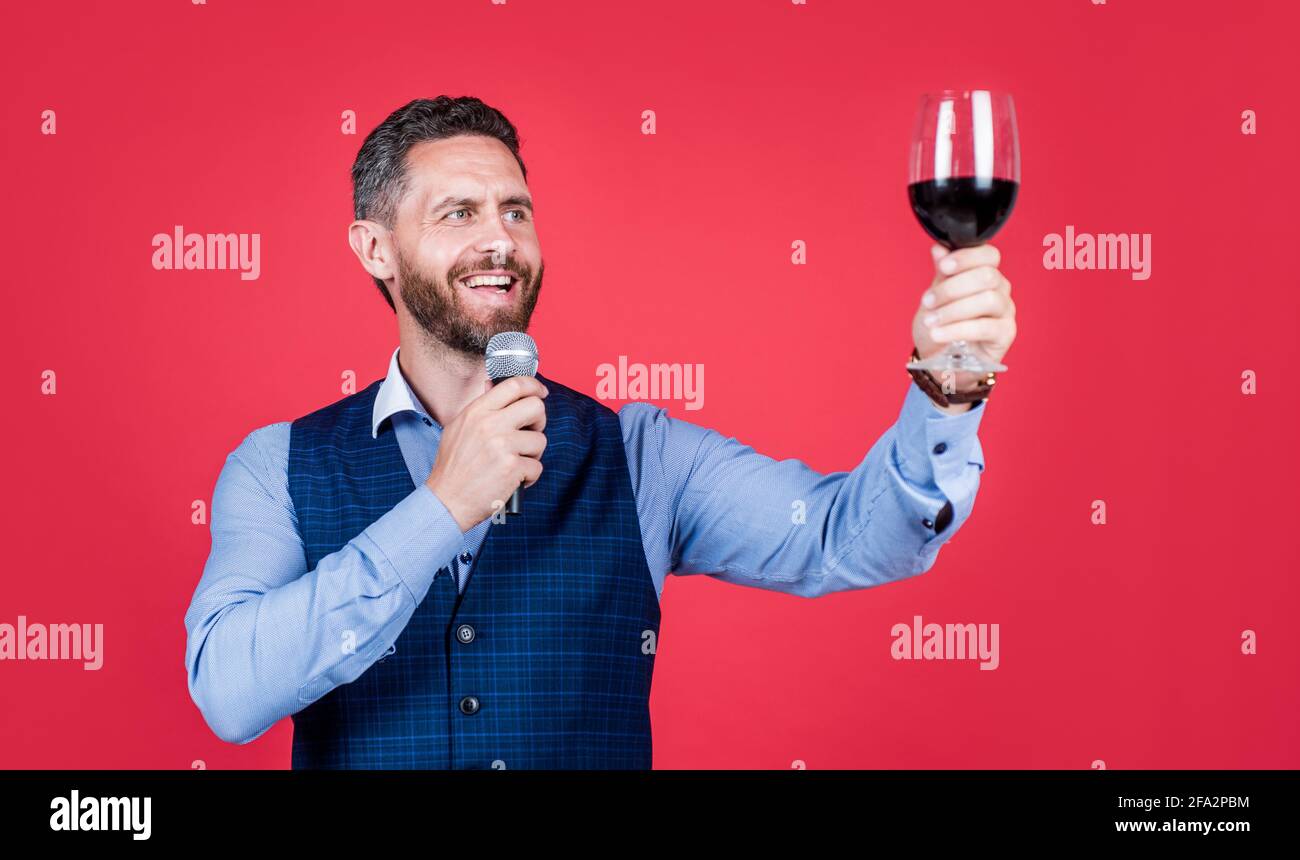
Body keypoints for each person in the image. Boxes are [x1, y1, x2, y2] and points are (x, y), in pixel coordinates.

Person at [183, 96, 1018, 769]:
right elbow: (229, 694)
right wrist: (442, 505)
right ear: (376, 250)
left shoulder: (641, 456)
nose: (499, 239)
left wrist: (950, 389)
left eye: (516, 210)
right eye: (459, 213)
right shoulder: (276, 467)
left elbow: (850, 537)